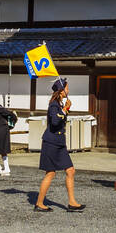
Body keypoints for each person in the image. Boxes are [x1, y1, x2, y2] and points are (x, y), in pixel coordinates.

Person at [34, 78, 84, 212]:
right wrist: (66, 108)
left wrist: (65, 108)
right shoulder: (54, 105)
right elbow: (55, 121)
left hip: (60, 143)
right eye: (66, 88)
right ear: (61, 91)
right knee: (50, 173)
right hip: (51, 143)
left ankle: (72, 202)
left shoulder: (59, 104)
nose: (68, 90)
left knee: (70, 170)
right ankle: (39, 203)